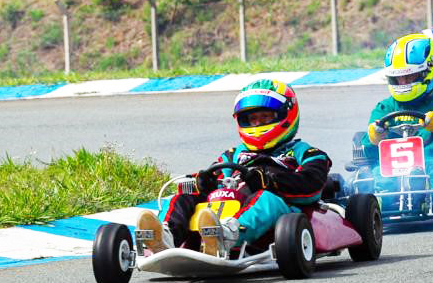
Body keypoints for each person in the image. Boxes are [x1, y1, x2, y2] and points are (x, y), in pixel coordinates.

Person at [136, 79, 332, 257]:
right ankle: (166, 236)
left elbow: (312, 186)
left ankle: (226, 236)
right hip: (226, 204)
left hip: (279, 212)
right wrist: (203, 181)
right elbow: (215, 176)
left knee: (266, 199)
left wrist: (269, 181)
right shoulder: (233, 154)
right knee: (183, 198)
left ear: (286, 114)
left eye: (265, 117)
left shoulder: (305, 152)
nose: (257, 124)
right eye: (252, 119)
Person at [361, 33, 433, 212]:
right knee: (376, 180)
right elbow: (366, 150)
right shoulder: (385, 108)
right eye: (398, 78)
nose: (403, 82)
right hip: (392, 169)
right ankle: (376, 205)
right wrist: (375, 136)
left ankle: (424, 195)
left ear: (427, 72)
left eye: (409, 77)